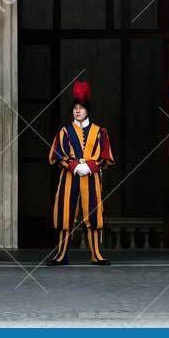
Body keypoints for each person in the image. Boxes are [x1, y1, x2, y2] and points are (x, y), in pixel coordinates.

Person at [47, 80, 114, 264]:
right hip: (70, 178)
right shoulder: (64, 132)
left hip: (91, 179)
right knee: (65, 216)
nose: (78, 110)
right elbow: (57, 153)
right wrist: (74, 166)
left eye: (81, 108)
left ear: (87, 111)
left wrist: (90, 167)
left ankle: (96, 255)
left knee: (93, 216)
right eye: (75, 108)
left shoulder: (99, 132)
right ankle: (61, 255)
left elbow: (105, 154)